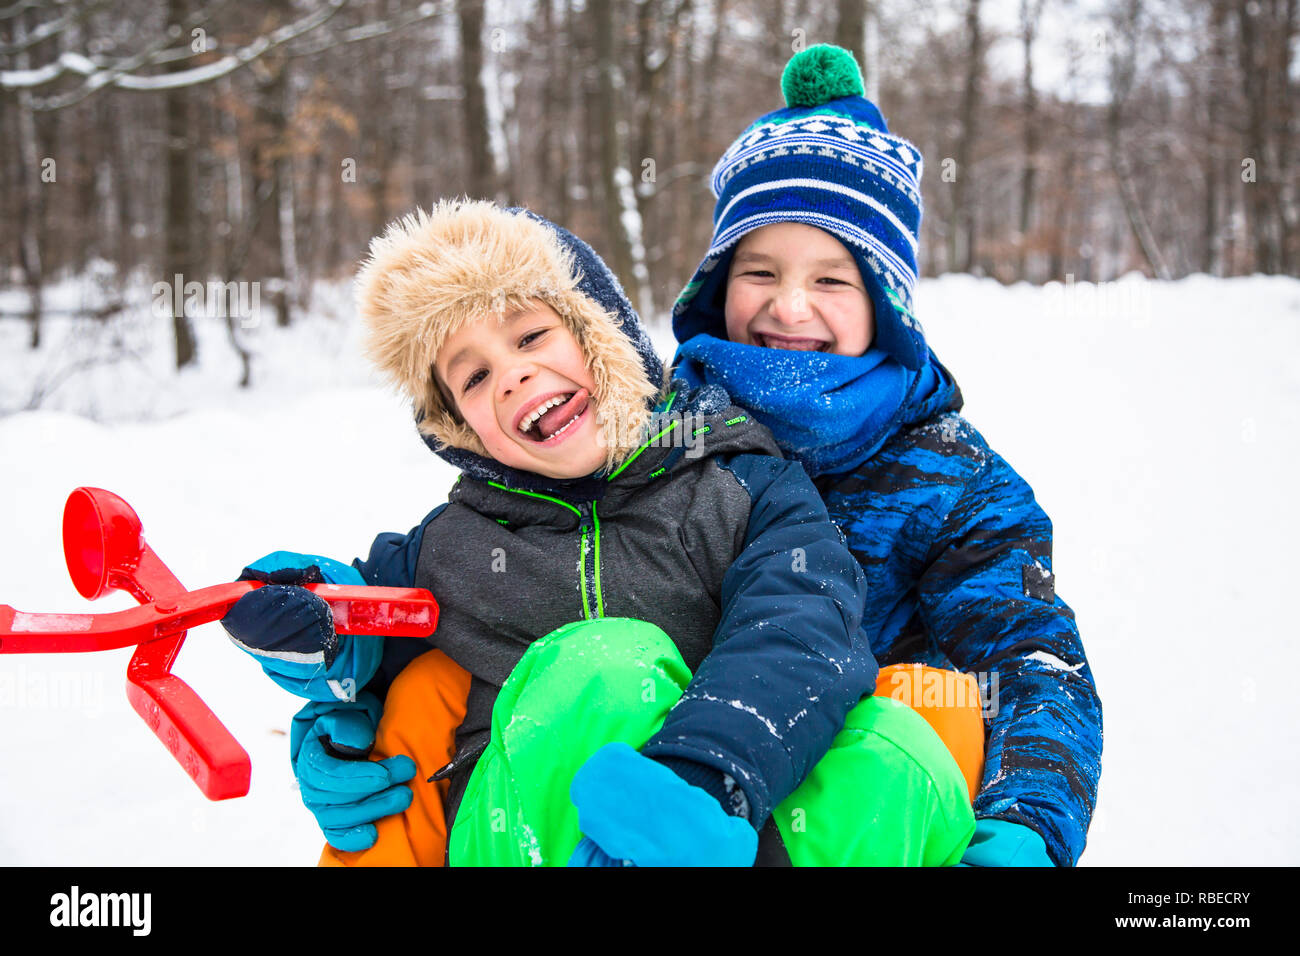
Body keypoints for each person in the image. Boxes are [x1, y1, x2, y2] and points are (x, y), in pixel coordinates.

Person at [222, 198, 980, 867]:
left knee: (899, 751)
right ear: (458, 426)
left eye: (529, 337)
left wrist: (708, 771)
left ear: (600, 333)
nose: (512, 376)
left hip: (709, 821)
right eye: (474, 377)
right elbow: (378, 617)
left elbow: (801, 626)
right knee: (608, 663)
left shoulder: (738, 483)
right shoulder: (455, 541)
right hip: (521, 831)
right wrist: (317, 623)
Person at [669, 44, 1103, 867]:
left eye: (834, 280)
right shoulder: (663, 435)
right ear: (715, 289)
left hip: (862, 812)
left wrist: (1029, 820)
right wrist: (378, 683)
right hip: (681, 796)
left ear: (889, 306)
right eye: (758, 270)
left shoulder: (951, 479)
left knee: (928, 700)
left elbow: (1032, 657)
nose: (788, 305)